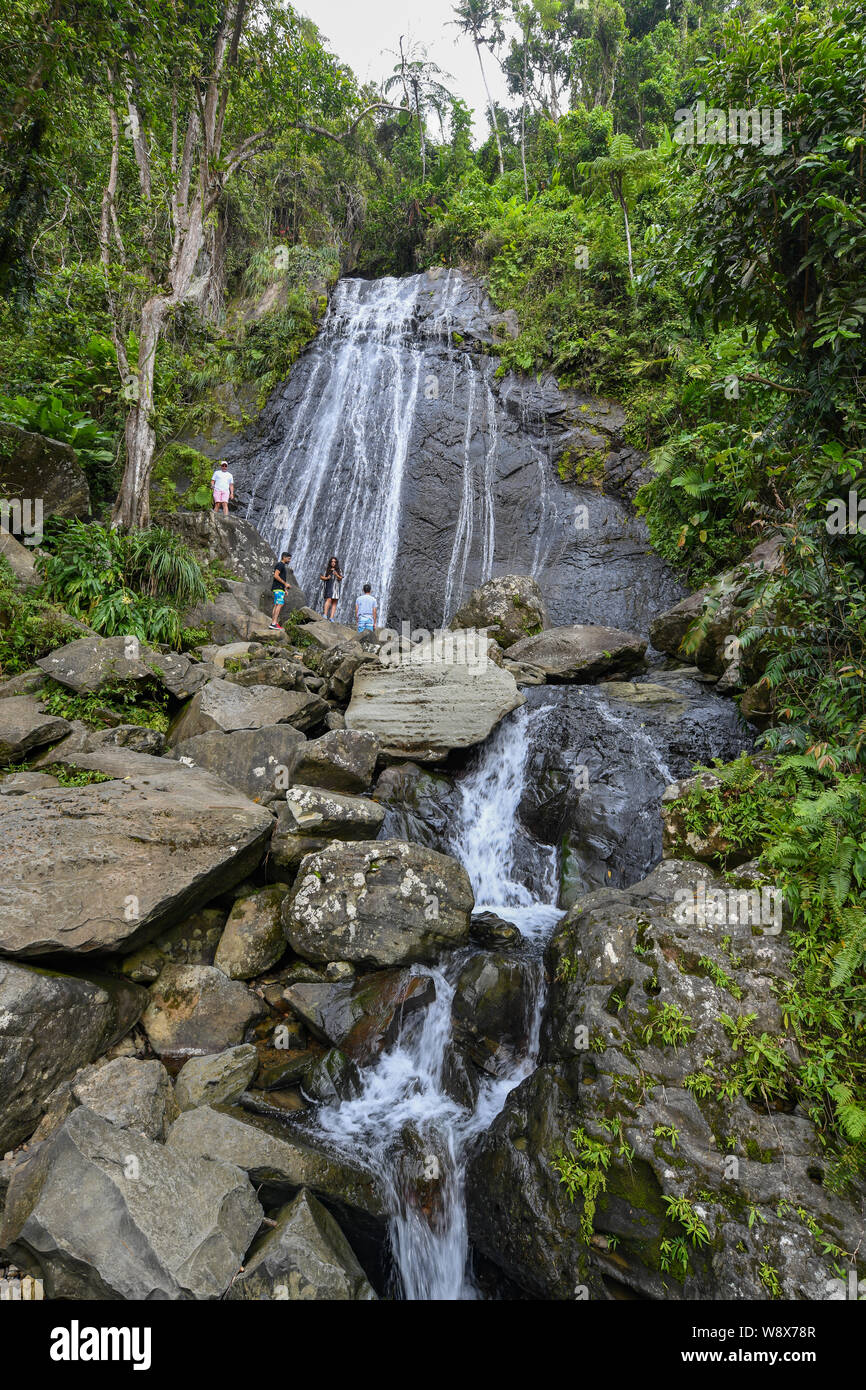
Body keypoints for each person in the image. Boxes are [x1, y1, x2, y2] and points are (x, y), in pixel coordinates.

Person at [270, 550, 292, 630]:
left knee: (277, 604)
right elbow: (276, 576)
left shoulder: (282, 566)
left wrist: (285, 589)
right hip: (278, 588)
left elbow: (280, 577)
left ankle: (273, 622)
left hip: (280, 588)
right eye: (289, 559)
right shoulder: (280, 565)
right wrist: (285, 584)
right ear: (284, 557)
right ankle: (274, 623)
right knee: (279, 604)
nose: (289, 560)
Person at [319, 555, 343, 621]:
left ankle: (331, 617)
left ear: (336, 563)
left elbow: (341, 578)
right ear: (330, 562)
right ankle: (325, 615)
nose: (333, 563)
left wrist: (337, 575)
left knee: (334, 602)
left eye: (334, 562)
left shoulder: (339, 570)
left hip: (336, 588)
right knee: (329, 599)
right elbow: (321, 577)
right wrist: (327, 578)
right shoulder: (327, 569)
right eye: (332, 561)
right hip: (329, 586)